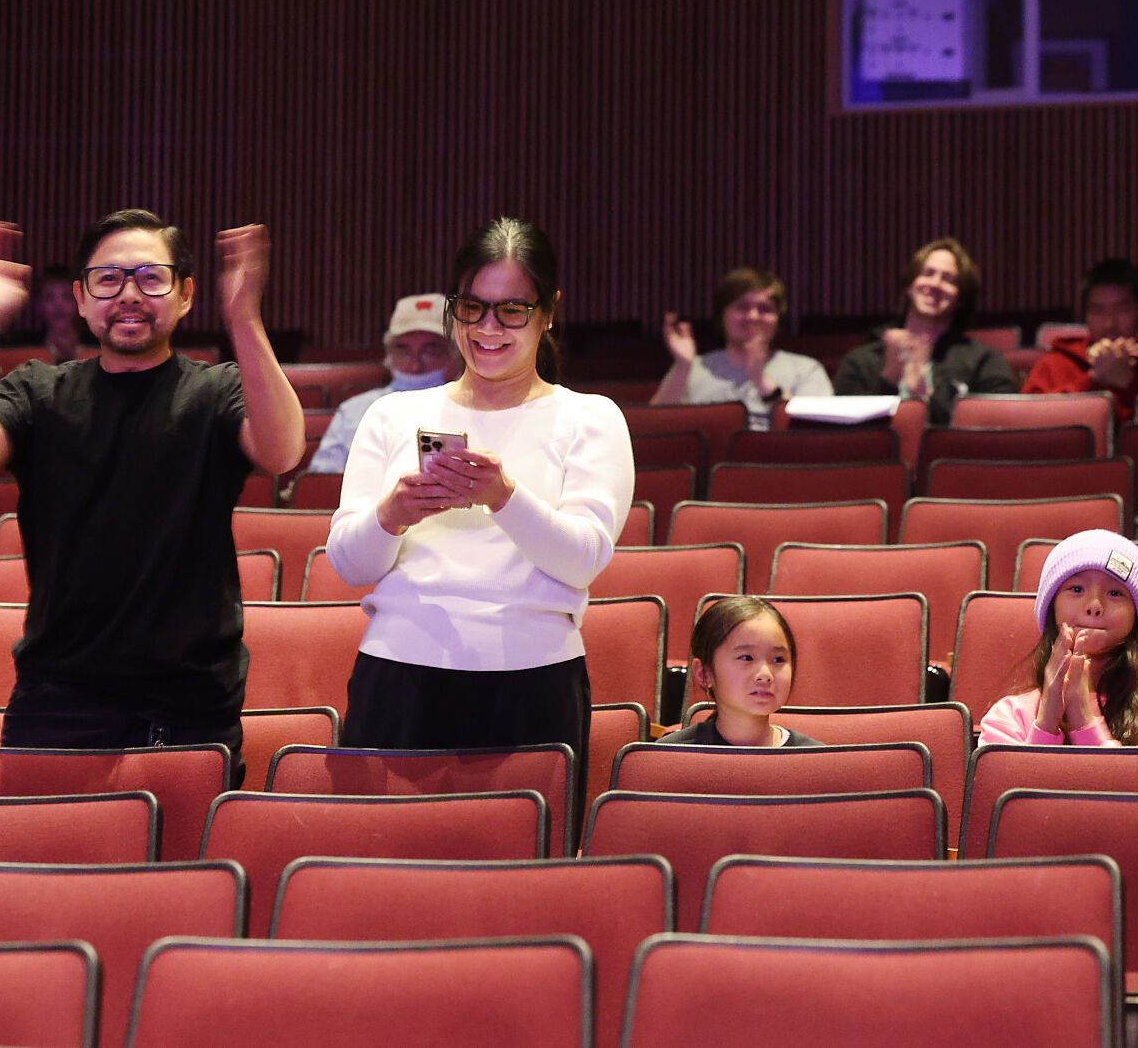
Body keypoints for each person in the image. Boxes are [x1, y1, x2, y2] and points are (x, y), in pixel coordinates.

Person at [0, 211, 304, 778]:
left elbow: (282, 452)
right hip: (57, 695)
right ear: (80, 299)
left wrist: (244, 318)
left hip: (190, 700)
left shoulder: (215, 390)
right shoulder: (39, 390)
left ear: (185, 295)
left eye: (151, 278)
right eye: (108, 279)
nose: (129, 294)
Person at [325, 218, 634, 762]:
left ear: (549, 311)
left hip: (533, 679)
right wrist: (393, 513)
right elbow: (350, 565)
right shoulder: (392, 413)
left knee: (527, 822)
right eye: (472, 307)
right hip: (398, 673)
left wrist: (504, 495)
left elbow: (583, 560)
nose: (488, 328)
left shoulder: (591, 417)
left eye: (512, 309)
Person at [980, 530, 1138, 746]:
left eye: (1115, 593)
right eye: (1076, 589)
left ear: (1136, 617)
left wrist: (1085, 723)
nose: (1094, 606)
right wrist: (1046, 723)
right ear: (1052, 608)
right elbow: (1007, 770)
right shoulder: (1008, 717)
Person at [833, 237, 1017, 424]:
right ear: (910, 285)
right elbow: (849, 433)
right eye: (928, 273)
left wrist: (921, 394)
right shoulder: (859, 361)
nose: (935, 284)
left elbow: (998, 428)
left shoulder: (984, 362)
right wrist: (889, 379)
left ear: (961, 298)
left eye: (948, 279)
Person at [649, 266, 832, 430]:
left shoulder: (806, 369)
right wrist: (682, 364)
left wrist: (761, 381)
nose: (753, 316)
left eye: (764, 309)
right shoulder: (692, 368)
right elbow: (656, 426)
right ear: (723, 315)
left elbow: (819, 430)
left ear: (778, 319)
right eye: (742, 307)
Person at [308, 293, 455, 473]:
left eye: (430, 351)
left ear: (455, 355)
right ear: (388, 355)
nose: (415, 366)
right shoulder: (354, 410)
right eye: (403, 351)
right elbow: (322, 477)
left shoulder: (475, 409)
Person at [1022, 258, 1138, 423]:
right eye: (1097, 311)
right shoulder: (1052, 365)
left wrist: (1131, 383)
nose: (1109, 324)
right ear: (1085, 317)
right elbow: (1028, 424)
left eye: (1122, 310)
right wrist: (1094, 378)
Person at [658, 595, 824, 747]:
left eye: (778, 660)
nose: (765, 675)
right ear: (703, 673)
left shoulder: (815, 759)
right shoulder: (670, 755)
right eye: (746, 658)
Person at [37, 264, 86, 364]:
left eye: (67, 297)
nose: (58, 306)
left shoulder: (99, 346)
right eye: (49, 297)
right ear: (40, 304)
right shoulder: (26, 346)